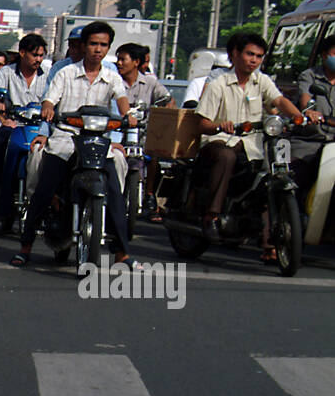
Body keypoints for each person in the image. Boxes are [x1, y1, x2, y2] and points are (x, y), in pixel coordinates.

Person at [11, 21, 134, 268]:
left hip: (98, 141)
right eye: (93, 44)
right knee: (44, 190)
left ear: (108, 47)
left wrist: (128, 115)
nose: (97, 49)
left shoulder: (112, 77)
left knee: (115, 190)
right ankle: (25, 246)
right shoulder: (65, 73)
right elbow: (50, 99)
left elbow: (122, 101)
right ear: (83, 46)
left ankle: (122, 252)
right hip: (66, 138)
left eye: (103, 45)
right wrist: (47, 108)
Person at [195, 32, 311, 261]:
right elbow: (202, 124)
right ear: (235, 55)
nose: (254, 60)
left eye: (259, 56)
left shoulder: (263, 81)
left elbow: (278, 101)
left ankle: (270, 239)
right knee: (227, 157)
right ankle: (213, 215)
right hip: (220, 142)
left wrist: (299, 116)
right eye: (250, 54)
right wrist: (220, 125)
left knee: (274, 173)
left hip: (255, 144)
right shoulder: (218, 84)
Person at [0, 32, 47, 223]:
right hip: (14, 125)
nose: (38, 60)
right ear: (22, 53)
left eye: (41, 55)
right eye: (35, 55)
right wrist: (4, 117)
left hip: (38, 129)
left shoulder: (47, 76)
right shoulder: (6, 72)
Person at [291, 34, 335, 204]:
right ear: (324, 56)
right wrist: (311, 113)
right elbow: (305, 103)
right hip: (309, 141)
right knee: (296, 176)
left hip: (333, 144)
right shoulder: (309, 76)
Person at [114, 42, 171, 110]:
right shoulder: (113, 82)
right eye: (118, 59)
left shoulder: (151, 83)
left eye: (123, 60)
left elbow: (168, 100)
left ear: (136, 62)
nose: (119, 63)